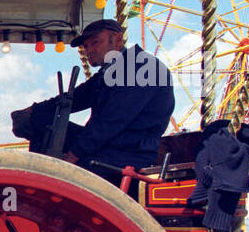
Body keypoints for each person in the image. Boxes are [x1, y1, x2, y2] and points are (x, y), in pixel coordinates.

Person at [11, 19, 175, 185]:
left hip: (128, 152)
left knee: (58, 170)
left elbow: (109, 122)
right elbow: (73, 98)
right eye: (86, 46)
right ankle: (34, 179)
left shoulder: (140, 68)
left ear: (117, 40)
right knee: (41, 120)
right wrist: (31, 111)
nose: (89, 50)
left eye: (95, 42)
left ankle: (38, 185)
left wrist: (72, 157)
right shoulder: (111, 71)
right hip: (108, 147)